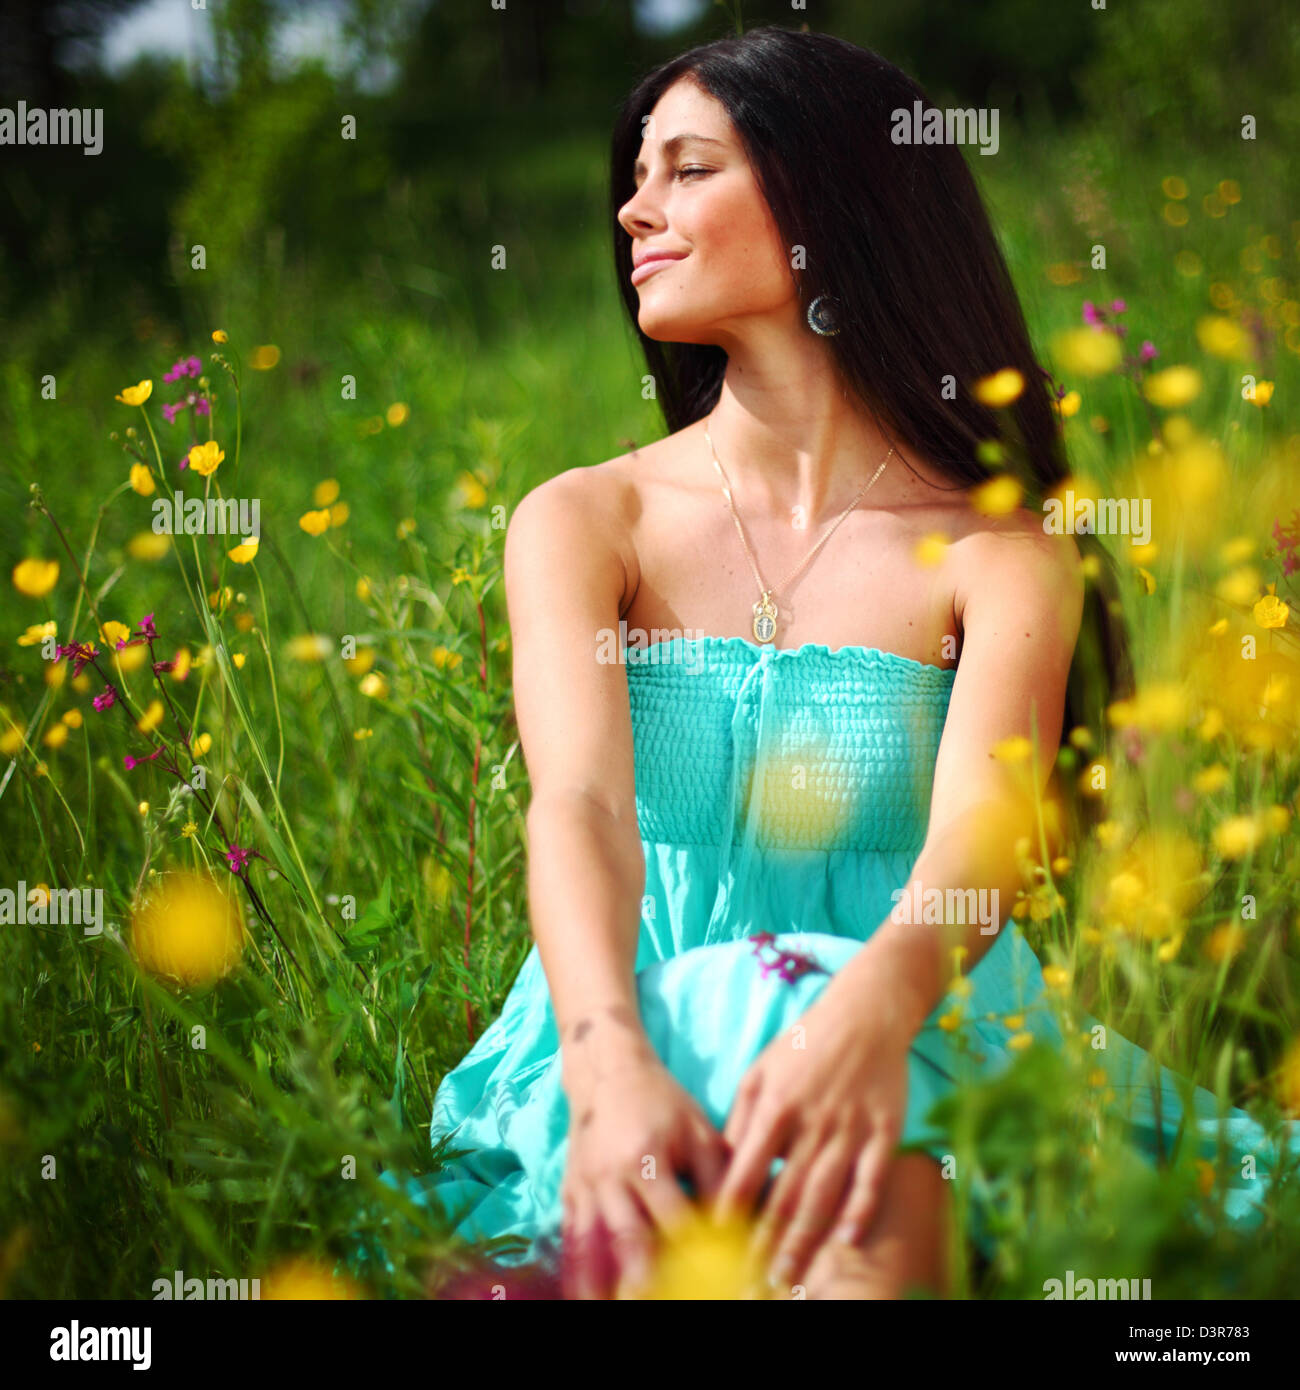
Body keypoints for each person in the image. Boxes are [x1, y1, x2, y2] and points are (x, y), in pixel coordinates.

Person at [405, 26, 1294, 1300]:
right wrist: (604, 1069)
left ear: (824, 199)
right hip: (630, 1023)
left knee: (862, 1219)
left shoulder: (999, 553)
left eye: (686, 169)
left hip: (912, 1027)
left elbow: (978, 843)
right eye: (638, 172)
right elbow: (583, 805)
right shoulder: (585, 519)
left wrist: (864, 1023)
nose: (631, 206)